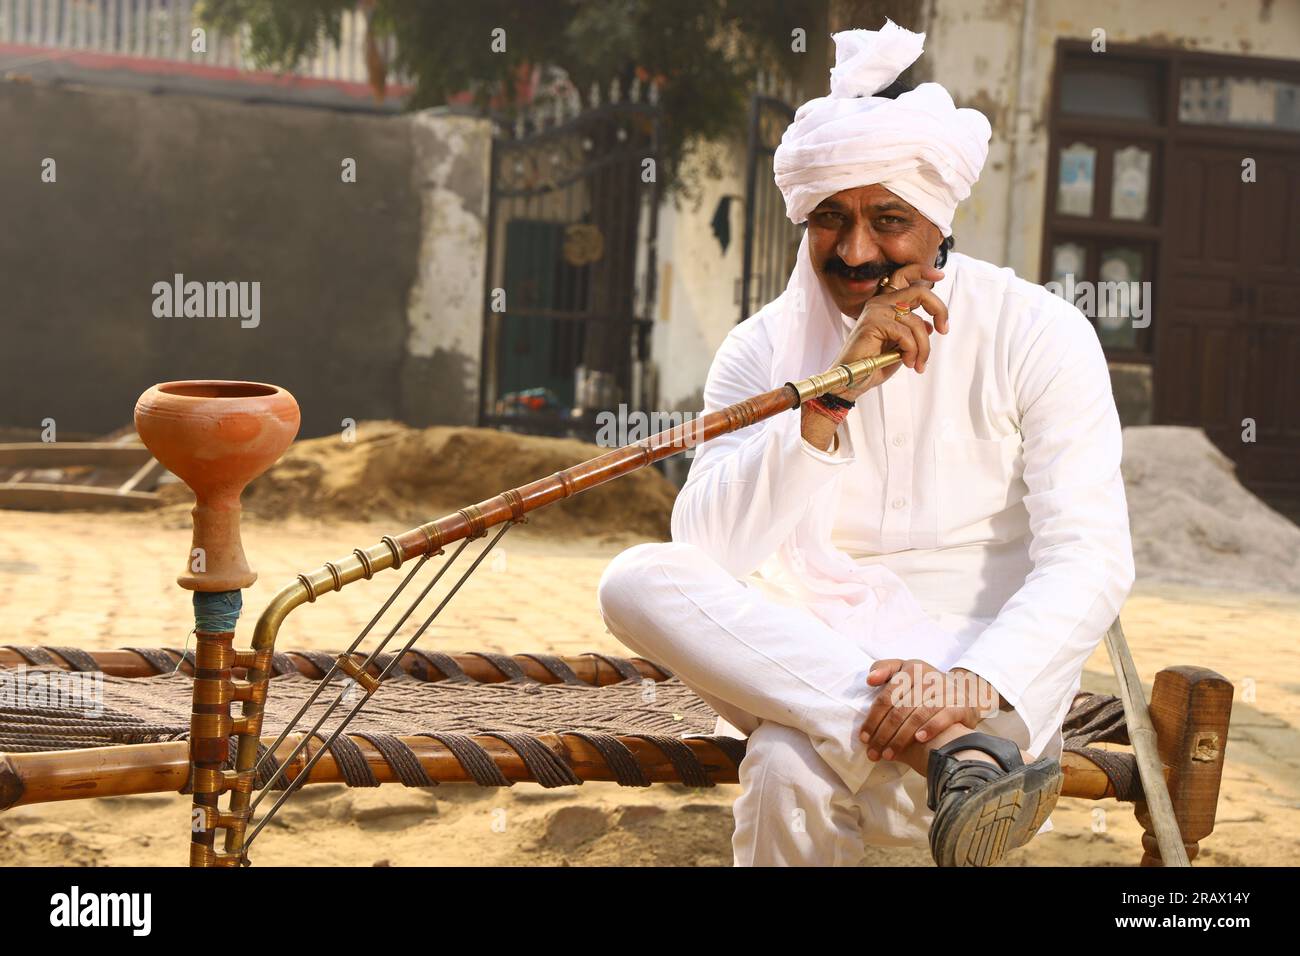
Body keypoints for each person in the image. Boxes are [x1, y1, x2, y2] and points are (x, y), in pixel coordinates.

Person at [597, 19, 1134, 867]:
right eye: (829, 220)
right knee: (635, 579)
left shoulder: (1039, 333)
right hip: (819, 658)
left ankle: (956, 738)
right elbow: (711, 549)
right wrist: (828, 399)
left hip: (983, 664)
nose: (855, 251)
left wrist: (974, 684)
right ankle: (947, 756)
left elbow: (1089, 556)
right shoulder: (759, 350)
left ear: (939, 222)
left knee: (784, 763)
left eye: (888, 220)